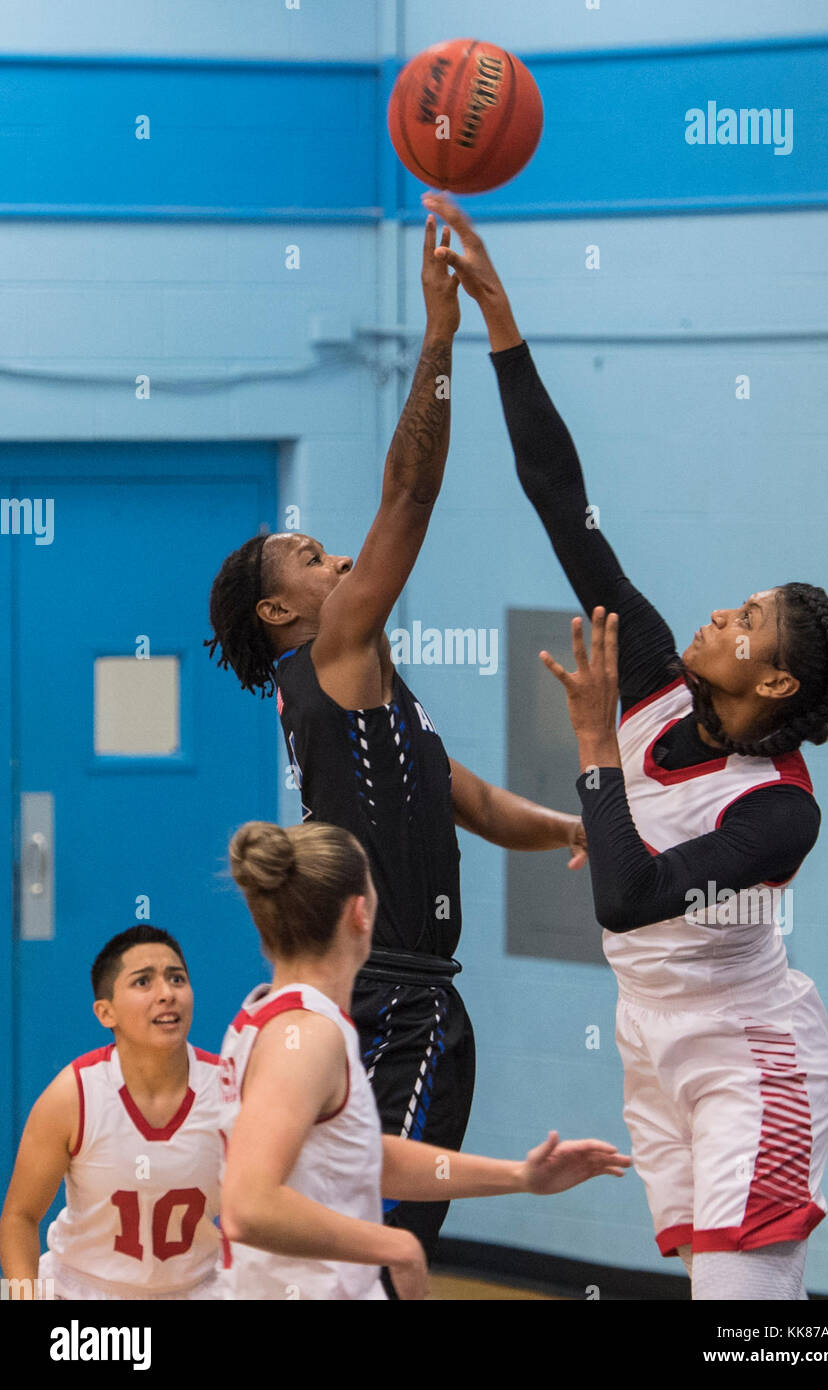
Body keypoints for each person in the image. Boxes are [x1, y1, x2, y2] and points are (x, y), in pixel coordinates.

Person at [423, 190, 828, 1301]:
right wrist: (501, 326)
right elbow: (563, 503)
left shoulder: (779, 810)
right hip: (651, 1042)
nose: (720, 615)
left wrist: (589, 751)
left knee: (744, 1316)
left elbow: (625, 898)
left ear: (775, 681)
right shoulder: (659, 670)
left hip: (750, 1056)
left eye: (747, 621)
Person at [205, 209, 589, 1267]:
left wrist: (575, 824)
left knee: (358, 1237)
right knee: (379, 1246)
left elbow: (467, 797)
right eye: (312, 558)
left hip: (403, 988)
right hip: (397, 998)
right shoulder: (330, 651)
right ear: (282, 613)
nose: (336, 566)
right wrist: (439, 334)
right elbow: (411, 493)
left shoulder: (369, 697)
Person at [219, 817, 631, 1300]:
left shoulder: (277, 1016)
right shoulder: (305, 1035)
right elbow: (248, 1207)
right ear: (361, 912)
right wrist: (396, 1246)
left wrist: (520, 1176)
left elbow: (359, 1157)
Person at [0, 926, 223, 1300]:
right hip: (78, 1292)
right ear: (106, 1012)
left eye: (177, 978)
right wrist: (25, 1297)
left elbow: (262, 1215)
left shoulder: (229, 1090)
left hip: (197, 1290)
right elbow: (19, 1218)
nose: (167, 994)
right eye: (143, 982)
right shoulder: (73, 1095)